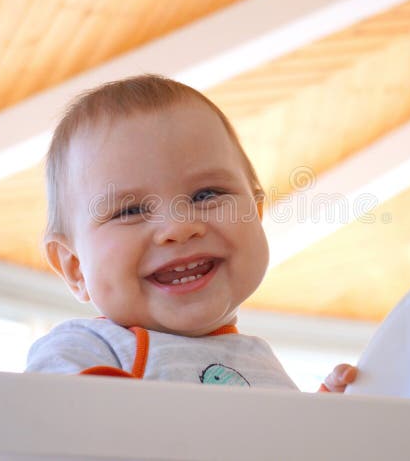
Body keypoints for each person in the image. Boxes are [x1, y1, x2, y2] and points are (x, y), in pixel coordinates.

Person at [25, 74, 357, 393]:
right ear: (75, 266)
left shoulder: (261, 362)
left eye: (207, 195)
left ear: (255, 215)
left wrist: (324, 420)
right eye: (130, 211)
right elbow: (53, 430)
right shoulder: (86, 349)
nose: (179, 227)